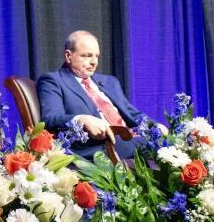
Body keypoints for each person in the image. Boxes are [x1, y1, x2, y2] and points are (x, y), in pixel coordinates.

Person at [37, 30, 146, 159]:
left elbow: (132, 114)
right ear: (68, 56)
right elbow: (51, 118)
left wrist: (154, 126)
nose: (94, 62)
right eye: (87, 55)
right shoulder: (53, 81)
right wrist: (81, 119)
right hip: (99, 147)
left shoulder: (109, 81)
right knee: (165, 148)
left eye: (96, 56)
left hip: (130, 139)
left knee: (168, 144)